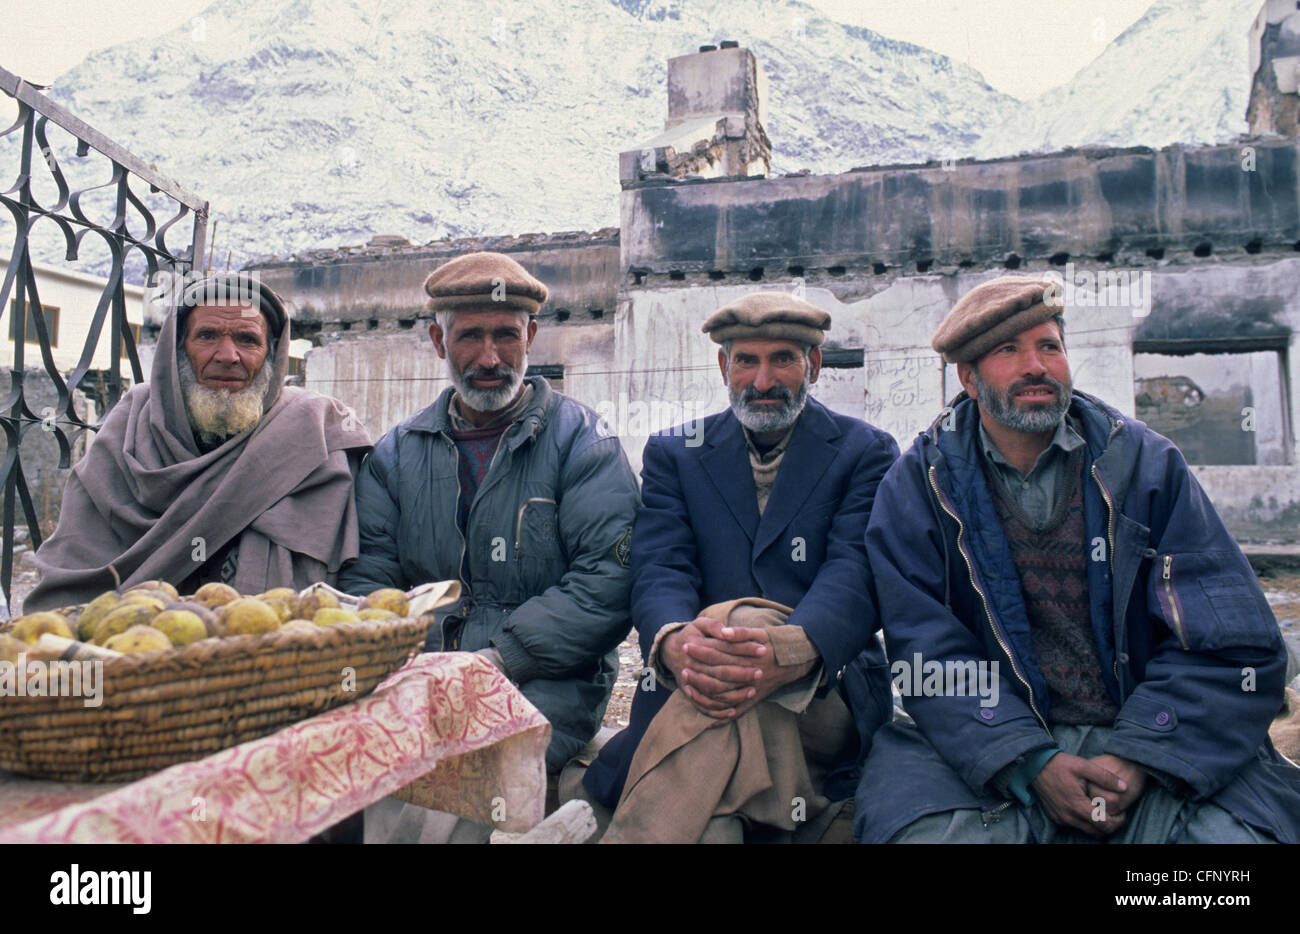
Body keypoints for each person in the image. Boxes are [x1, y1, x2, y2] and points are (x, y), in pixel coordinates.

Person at [855, 274, 1300, 844]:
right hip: (990, 735)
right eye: (1007, 350)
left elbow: (1229, 638)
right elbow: (928, 649)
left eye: (1049, 346)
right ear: (967, 377)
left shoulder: (1146, 465)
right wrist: (1031, 762)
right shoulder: (919, 484)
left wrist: (1139, 755)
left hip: (1148, 727)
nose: (1035, 366)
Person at [581, 291, 899, 843]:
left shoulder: (864, 451)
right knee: (717, 828)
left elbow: (854, 574)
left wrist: (789, 651)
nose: (764, 380)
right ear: (723, 366)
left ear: (814, 365)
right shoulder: (676, 452)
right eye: (746, 360)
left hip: (823, 691)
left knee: (747, 628)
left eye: (783, 359)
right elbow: (661, 568)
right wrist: (676, 641)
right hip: (702, 680)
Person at [339, 251, 640, 774]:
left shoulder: (584, 444)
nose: (488, 357)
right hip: (418, 677)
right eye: (470, 336)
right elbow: (370, 577)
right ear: (439, 342)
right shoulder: (396, 454)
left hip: (547, 680)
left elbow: (608, 578)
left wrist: (501, 659)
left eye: (505, 335)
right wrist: (417, 667)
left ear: (531, 337)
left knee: (464, 774)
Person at [25, 273, 371, 610]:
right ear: (177, 348)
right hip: (129, 652)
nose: (227, 355)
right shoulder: (129, 425)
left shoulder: (316, 431)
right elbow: (74, 571)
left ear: (272, 353)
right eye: (207, 336)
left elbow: (363, 578)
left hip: (276, 655)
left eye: (247, 340)